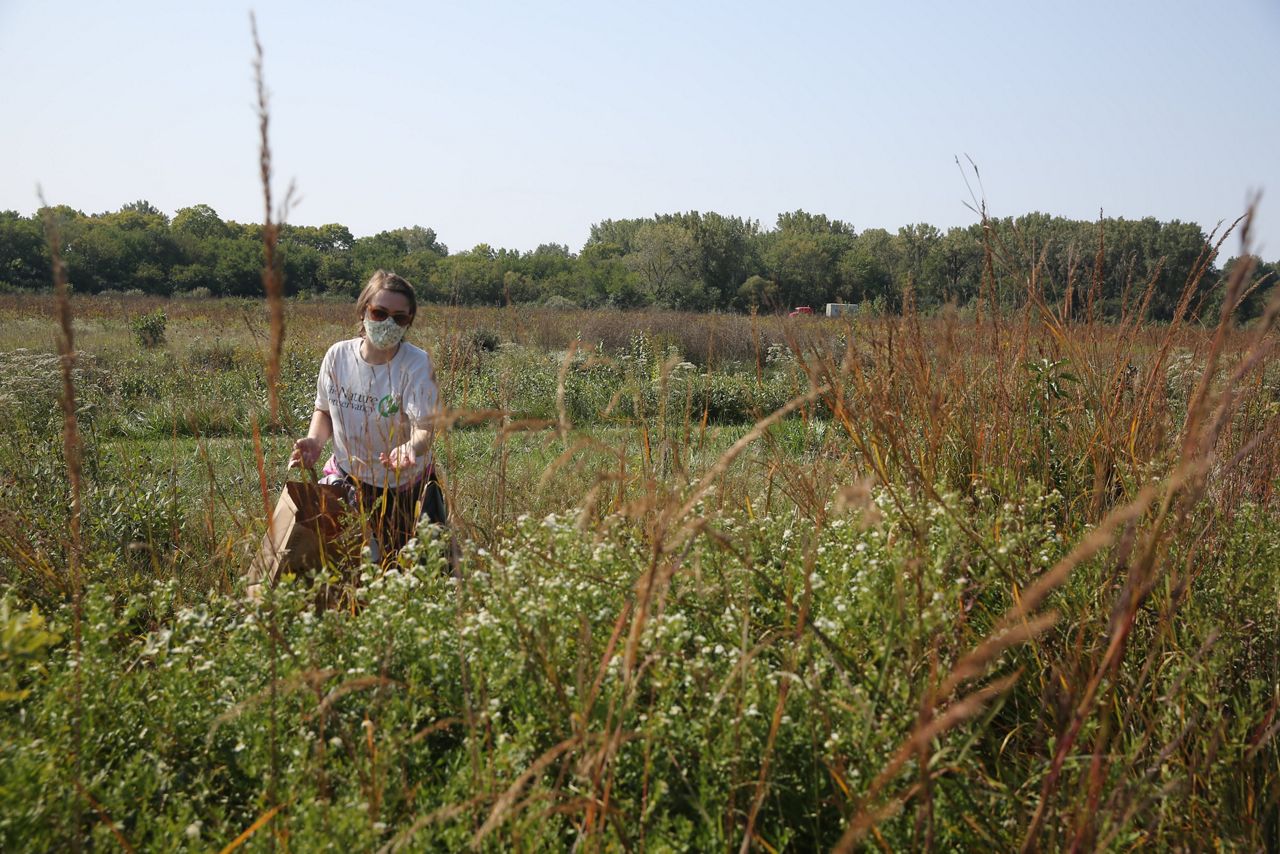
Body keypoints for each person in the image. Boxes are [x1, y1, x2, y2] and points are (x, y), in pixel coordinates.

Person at [289, 270, 447, 563]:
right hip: (348, 481)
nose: (388, 323)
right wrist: (315, 440)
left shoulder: (416, 364)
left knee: (410, 571)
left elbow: (425, 427)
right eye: (379, 313)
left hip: (404, 490)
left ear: (409, 321)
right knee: (351, 570)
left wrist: (410, 447)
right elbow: (324, 410)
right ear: (363, 311)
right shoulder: (337, 356)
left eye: (399, 318)